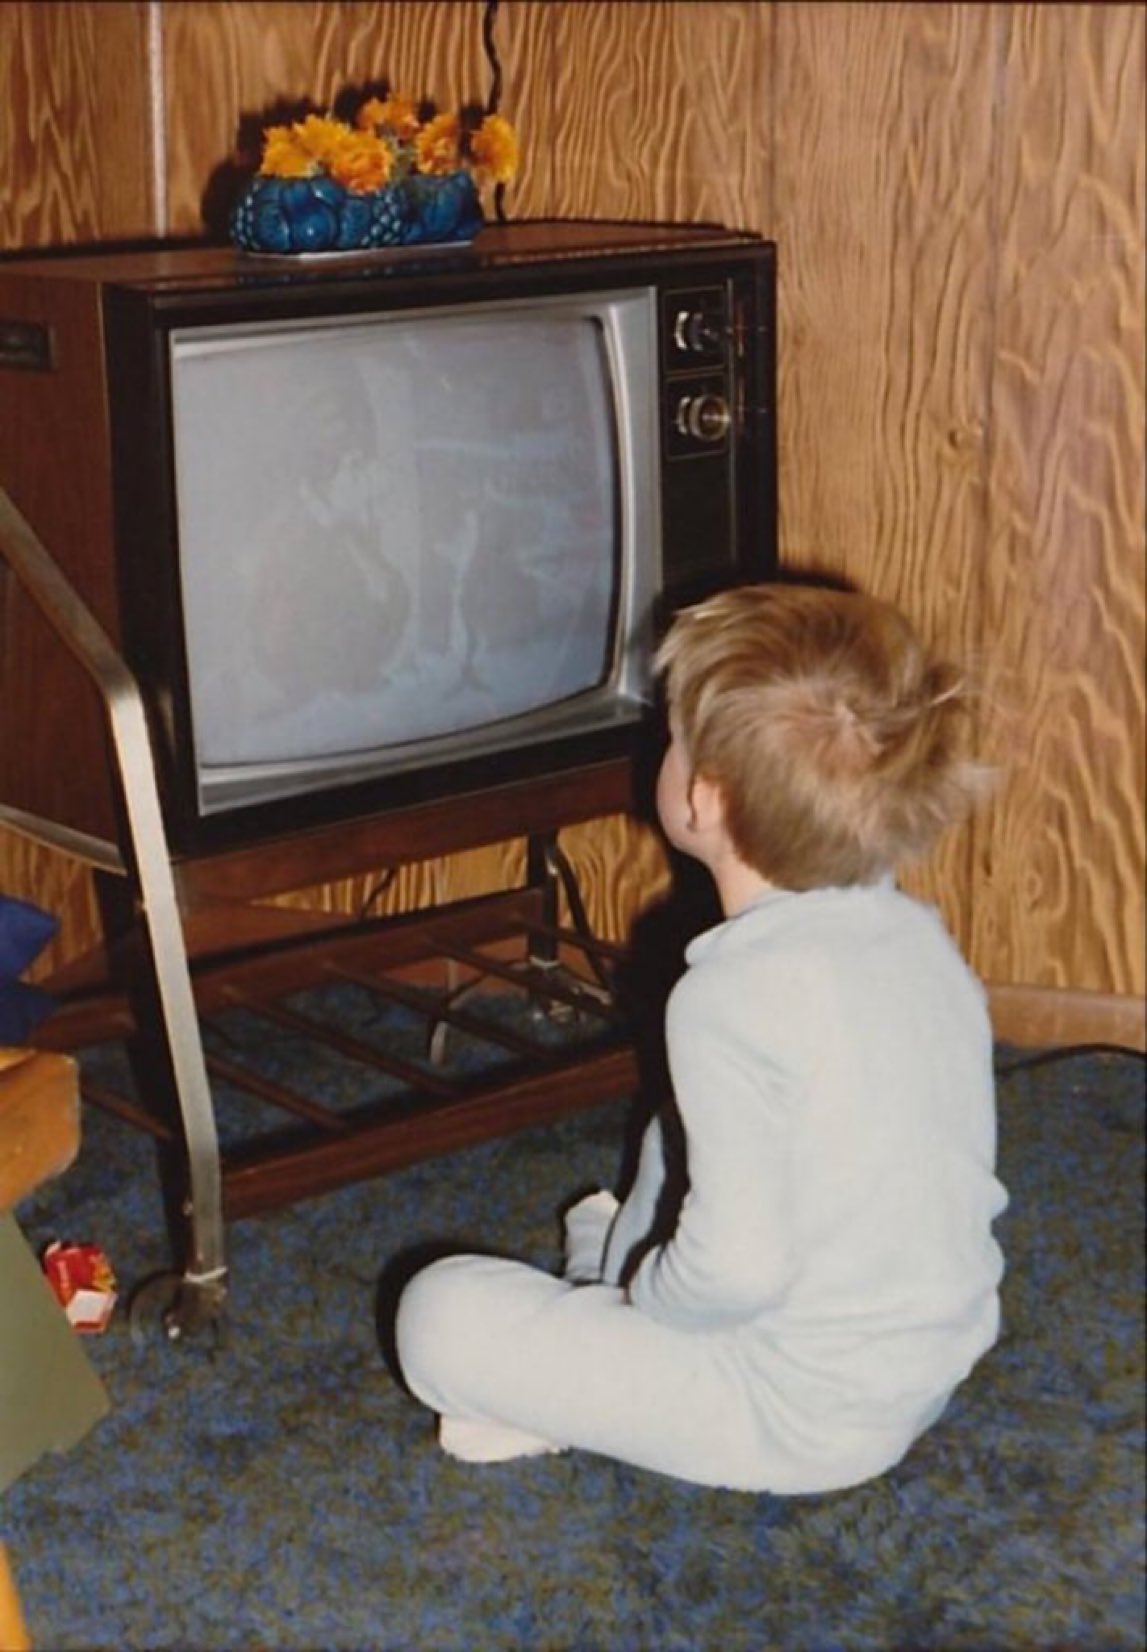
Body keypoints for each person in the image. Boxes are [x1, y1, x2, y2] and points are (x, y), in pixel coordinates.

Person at [394, 583, 1008, 1494]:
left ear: (705, 801)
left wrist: (647, 1300)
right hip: (921, 1365)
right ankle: (598, 1301)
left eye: (672, 735)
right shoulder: (917, 937)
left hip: (790, 1413)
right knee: (675, 1132)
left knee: (434, 1313)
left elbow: (735, 1273)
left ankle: (574, 1362)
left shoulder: (728, 998)